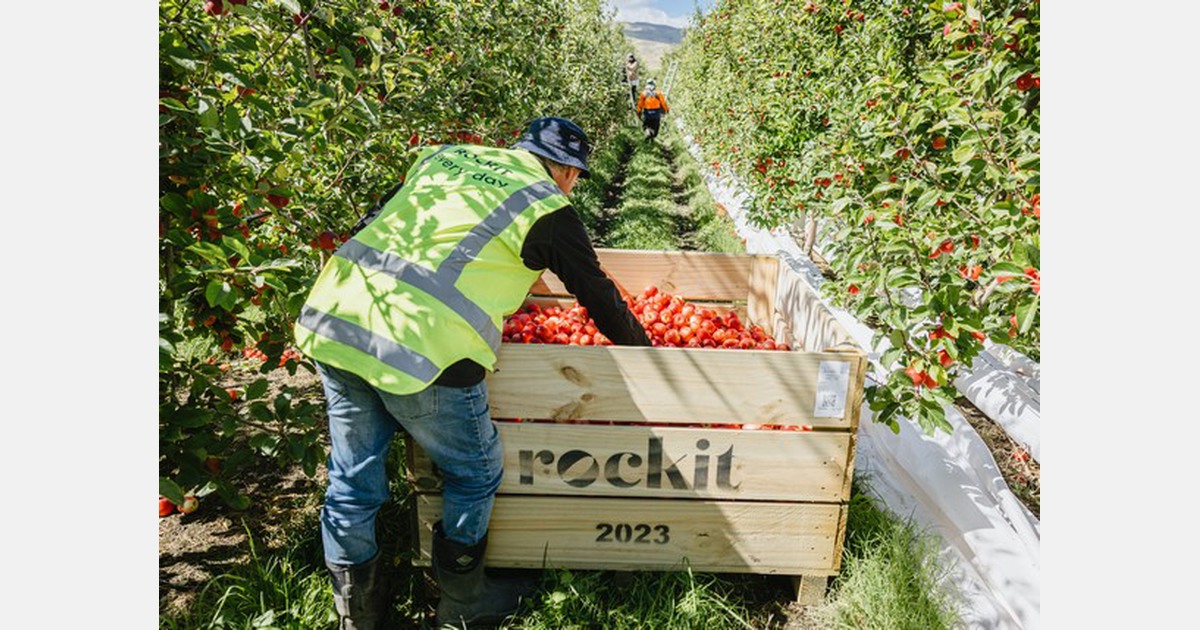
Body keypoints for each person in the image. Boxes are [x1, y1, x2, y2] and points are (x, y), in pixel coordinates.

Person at [293, 117, 652, 629]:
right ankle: (465, 600)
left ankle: (357, 613)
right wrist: (650, 354)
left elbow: (380, 223)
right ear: (567, 171)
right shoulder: (547, 206)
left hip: (337, 316)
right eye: (576, 176)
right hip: (423, 346)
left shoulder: (442, 158)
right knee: (474, 470)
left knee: (352, 477)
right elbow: (597, 294)